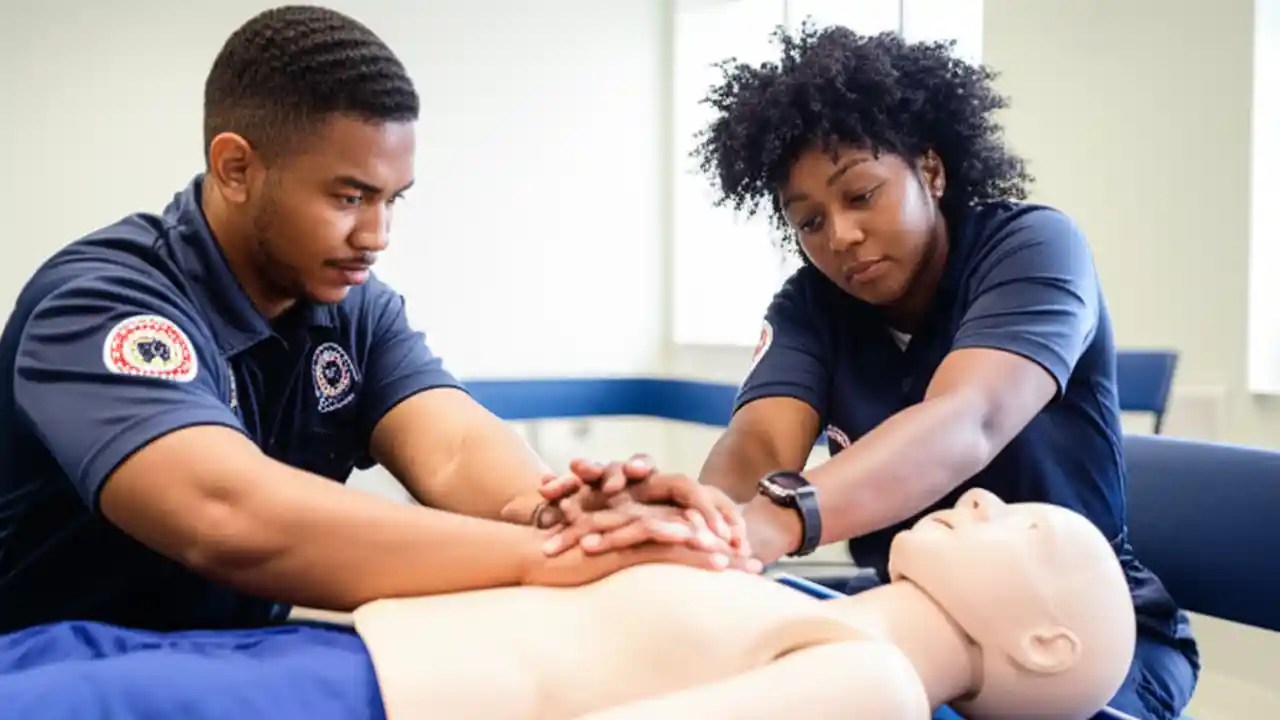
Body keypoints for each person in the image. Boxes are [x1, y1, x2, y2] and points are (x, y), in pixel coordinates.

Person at [0, 4, 747, 636]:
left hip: (231, 661)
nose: (377, 236)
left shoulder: (352, 309)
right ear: (235, 168)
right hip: (49, 664)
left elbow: (451, 445)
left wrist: (559, 512)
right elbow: (227, 512)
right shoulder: (100, 302)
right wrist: (549, 560)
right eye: (349, 197)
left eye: (394, 200)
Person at [545, 24, 1197, 720]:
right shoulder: (810, 305)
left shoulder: (1031, 247)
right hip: (913, 612)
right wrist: (698, 524)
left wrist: (772, 524)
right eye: (809, 222)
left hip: (1091, 636)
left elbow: (965, 419)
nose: (841, 237)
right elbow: (761, 445)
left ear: (932, 171)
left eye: (860, 196)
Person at [347, 489, 1136, 720]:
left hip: (368, 697)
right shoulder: (792, 596)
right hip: (359, 648)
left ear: (1045, 645)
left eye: (1028, 530)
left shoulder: (878, 686)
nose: (982, 497)